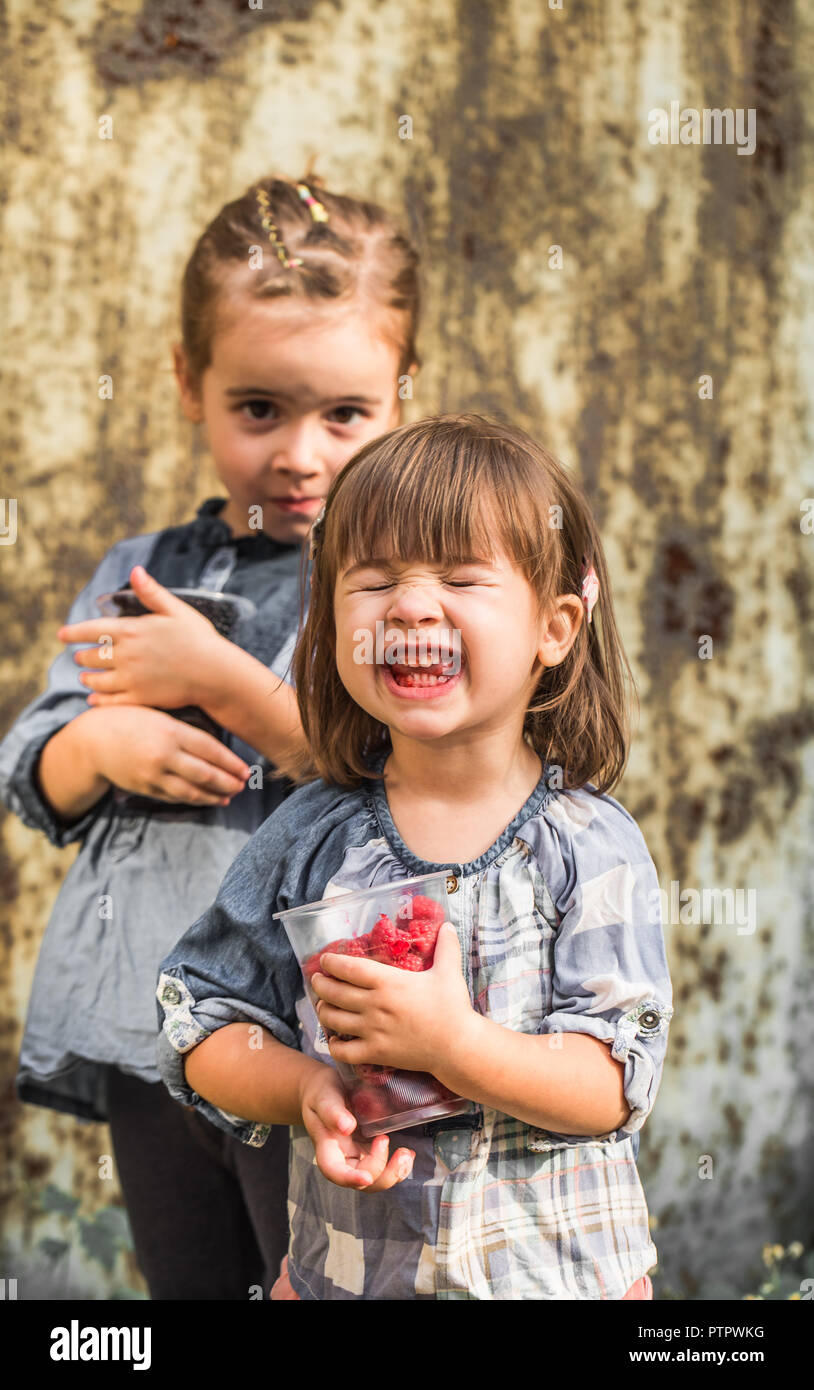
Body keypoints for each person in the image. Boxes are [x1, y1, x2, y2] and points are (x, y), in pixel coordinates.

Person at [0, 171, 421, 1299]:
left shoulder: (398, 589)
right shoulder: (145, 574)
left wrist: (225, 684)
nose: (300, 454)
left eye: (345, 414)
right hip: (148, 1023)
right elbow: (31, 762)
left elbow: (400, 780)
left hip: (302, 1042)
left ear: (402, 397)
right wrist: (100, 751)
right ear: (191, 384)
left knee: (319, 1282)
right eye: (259, 410)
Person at [155, 412, 674, 1301]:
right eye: (377, 579)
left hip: (556, 1279)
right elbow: (200, 1018)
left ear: (554, 628)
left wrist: (453, 1044)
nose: (412, 603)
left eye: (462, 576)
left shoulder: (590, 845)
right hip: (351, 1277)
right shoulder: (313, 836)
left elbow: (614, 1081)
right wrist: (306, 1087)